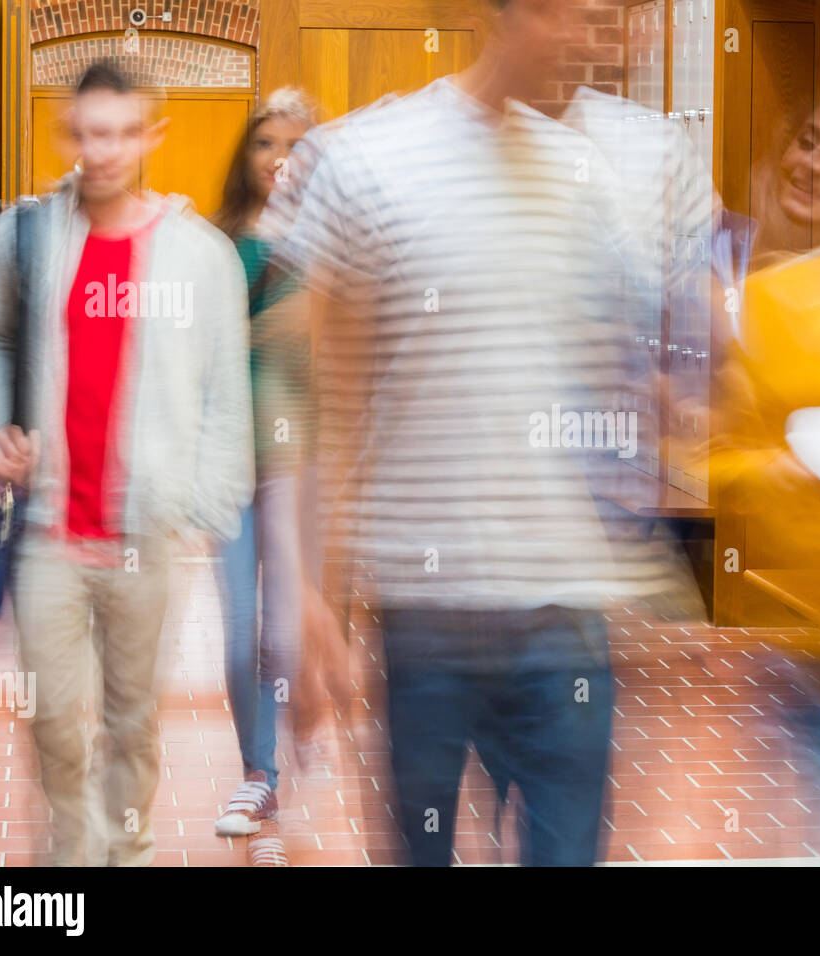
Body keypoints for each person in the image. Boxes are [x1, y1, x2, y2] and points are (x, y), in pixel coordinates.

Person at [261, 0, 699, 865]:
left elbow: (652, 378)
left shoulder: (613, 171)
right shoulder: (371, 161)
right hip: (428, 617)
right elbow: (320, 396)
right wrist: (315, 599)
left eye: (608, 18)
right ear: (502, 12)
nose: (592, 37)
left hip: (568, 616)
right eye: (571, 15)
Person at [0, 60, 253, 866]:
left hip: (149, 533)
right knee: (54, 720)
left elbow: (229, 403)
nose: (106, 152)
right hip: (51, 529)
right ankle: (70, 871)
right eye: (92, 133)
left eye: (125, 133)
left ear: (152, 134)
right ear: (70, 134)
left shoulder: (203, 261)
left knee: (133, 723)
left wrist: (204, 515)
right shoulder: (23, 238)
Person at [208, 88, 320, 855]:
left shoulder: (321, 246)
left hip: (292, 458)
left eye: (292, 145)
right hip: (227, 455)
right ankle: (259, 767)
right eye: (264, 144)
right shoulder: (213, 244)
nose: (277, 158)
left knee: (285, 629)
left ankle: (281, 754)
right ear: (244, 156)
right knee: (239, 624)